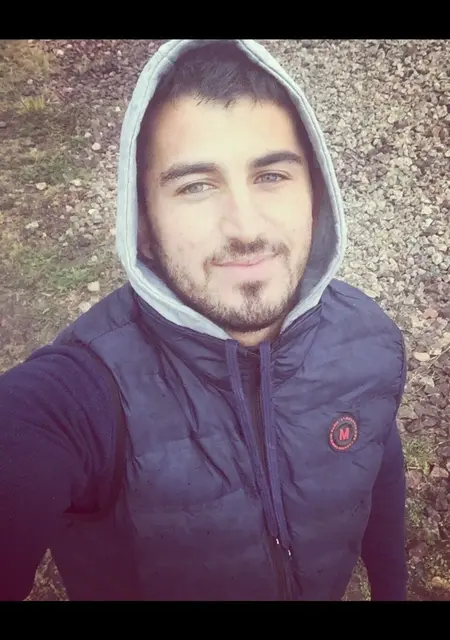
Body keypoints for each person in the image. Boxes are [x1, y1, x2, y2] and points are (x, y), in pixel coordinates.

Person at [0, 39, 408, 601]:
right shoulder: (79, 398)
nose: (245, 228)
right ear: (142, 225)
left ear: (315, 195)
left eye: (271, 175)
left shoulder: (368, 338)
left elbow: (377, 457)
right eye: (195, 186)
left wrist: (392, 586)